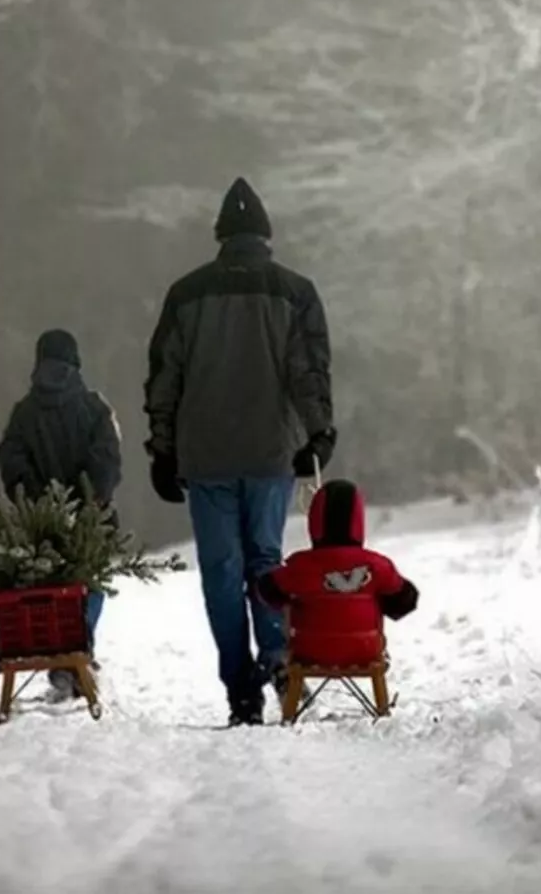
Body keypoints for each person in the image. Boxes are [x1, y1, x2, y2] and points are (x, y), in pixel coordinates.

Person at [143, 177, 336, 725]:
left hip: (205, 457)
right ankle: (277, 659)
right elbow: (309, 372)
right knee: (266, 563)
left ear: (221, 236)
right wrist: (319, 433)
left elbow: (165, 378)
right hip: (270, 451)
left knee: (221, 573)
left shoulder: (186, 294)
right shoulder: (294, 292)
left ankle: (239, 689)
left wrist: (162, 449)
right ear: (266, 235)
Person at [0, 328, 122, 694]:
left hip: (40, 524)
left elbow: (11, 461)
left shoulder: (22, 413)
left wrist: (38, 503)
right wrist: (90, 502)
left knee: (49, 588)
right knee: (92, 582)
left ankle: (60, 652)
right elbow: (108, 461)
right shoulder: (96, 408)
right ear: (76, 362)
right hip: (92, 521)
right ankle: (79, 648)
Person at [256, 478, 418, 672]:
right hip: (364, 651)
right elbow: (406, 600)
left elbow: (267, 589)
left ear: (315, 522)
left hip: (309, 652)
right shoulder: (376, 565)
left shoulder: (301, 566)